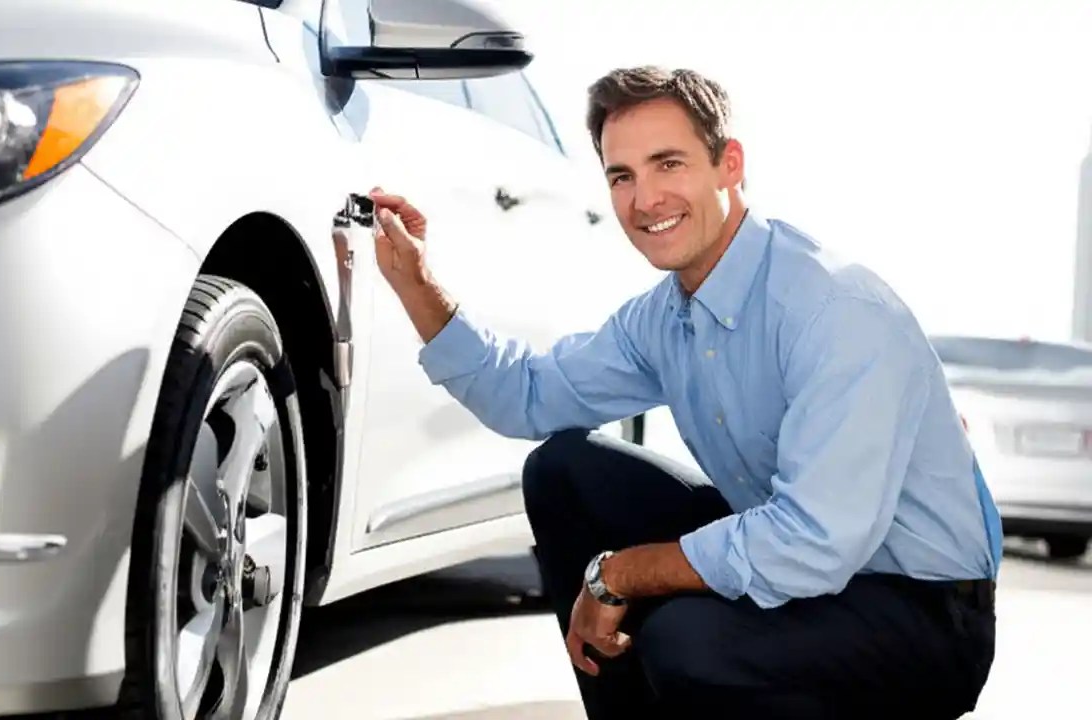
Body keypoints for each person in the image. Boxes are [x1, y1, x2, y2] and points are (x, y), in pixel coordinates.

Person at [367, 65, 1000, 718]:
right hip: (805, 570)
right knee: (563, 472)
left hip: (922, 611)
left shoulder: (834, 309)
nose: (645, 200)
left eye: (669, 164)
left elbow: (814, 542)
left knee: (686, 643)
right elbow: (523, 396)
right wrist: (417, 283)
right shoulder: (664, 317)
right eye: (623, 176)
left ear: (730, 164)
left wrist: (619, 573)